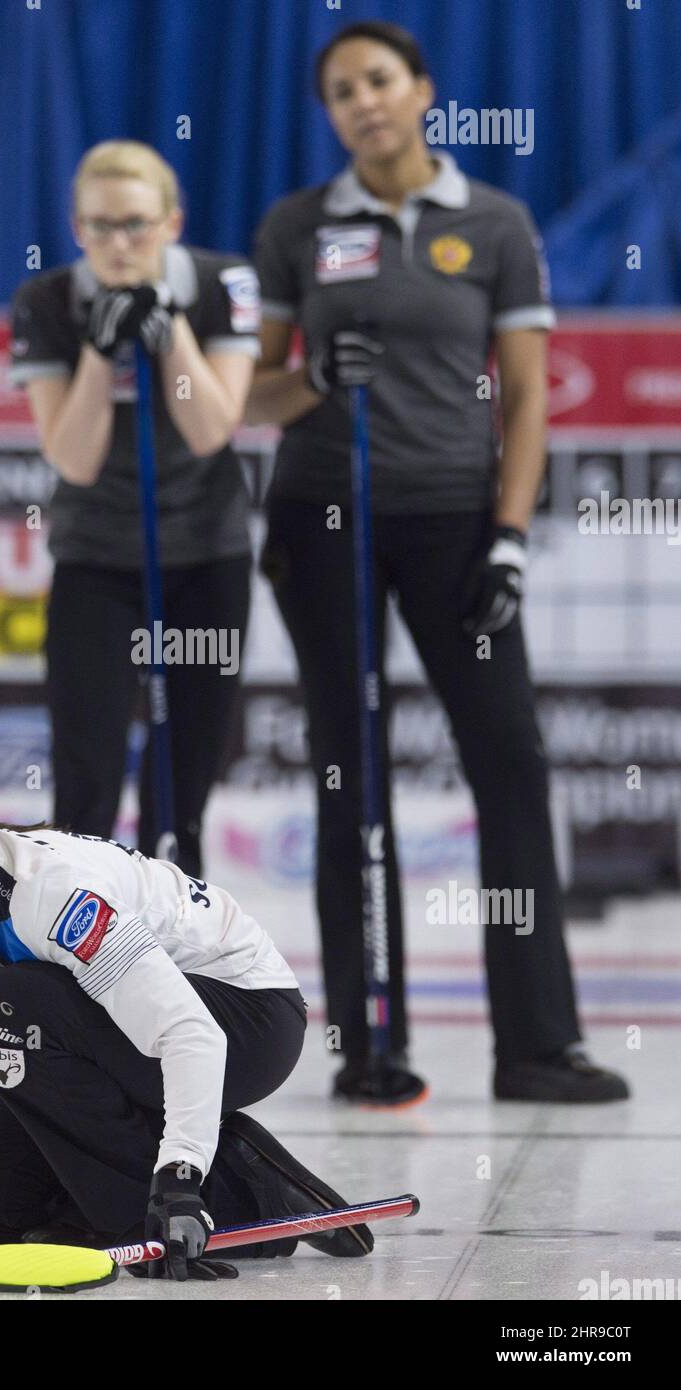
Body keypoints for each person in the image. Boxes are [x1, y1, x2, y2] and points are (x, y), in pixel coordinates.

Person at [246, 20, 628, 1106]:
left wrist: (508, 534)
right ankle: (369, 1047)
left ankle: (538, 1046)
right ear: (330, 115)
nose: (361, 101)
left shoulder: (495, 224)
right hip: (325, 517)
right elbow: (249, 397)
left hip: (456, 521)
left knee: (508, 756)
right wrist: (312, 372)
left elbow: (527, 400)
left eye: (377, 80)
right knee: (346, 770)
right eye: (339, 91)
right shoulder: (298, 226)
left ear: (422, 90)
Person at [0, 737, 374, 1280]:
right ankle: (246, 1182)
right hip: (121, 1032)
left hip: (244, 1019)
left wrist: (179, 1177)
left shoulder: (42, 893)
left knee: (9, 1004)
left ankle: (178, 1202)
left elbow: (188, 1032)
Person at [9, 140, 261, 876]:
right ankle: (74, 949)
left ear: (172, 222)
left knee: (183, 774)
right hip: (95, 555)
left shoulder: (224, 283)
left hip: (207, 552)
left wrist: (169, 327)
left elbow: (212, 427)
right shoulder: (46, 302)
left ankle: (175, 940)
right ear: (76, 227)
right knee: (84, 771)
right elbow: (74, 458)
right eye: (100, 227)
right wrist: (98, 349)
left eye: (136, 225)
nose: (119, 244)